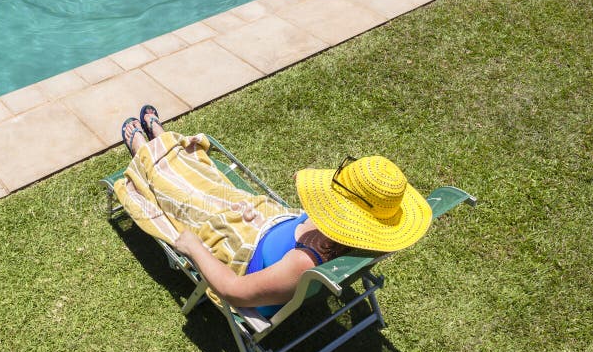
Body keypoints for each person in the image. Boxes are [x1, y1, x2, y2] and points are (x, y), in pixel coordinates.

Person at [115, 106, 433, 315]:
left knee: (179, 192)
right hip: (263, 221)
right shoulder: (367, 240)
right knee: (210, 183)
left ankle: (146, 148)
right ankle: (162, 140)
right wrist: (268, 218)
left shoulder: (301, 264)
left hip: (241, 244)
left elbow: (233, 291)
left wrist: (195, 248)